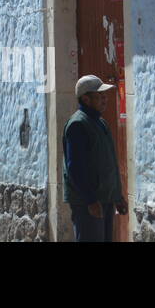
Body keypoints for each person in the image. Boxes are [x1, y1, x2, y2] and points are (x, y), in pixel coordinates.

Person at [63, 74, 128, 242]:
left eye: (104, 95)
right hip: (88, 202)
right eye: (100, 96)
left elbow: (107, 162)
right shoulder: (78, 124)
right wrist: (90, 200)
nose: (105, 99)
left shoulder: (100, 122)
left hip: (104, 199)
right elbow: (75, 168)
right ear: (86, 99)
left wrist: (117, 196)